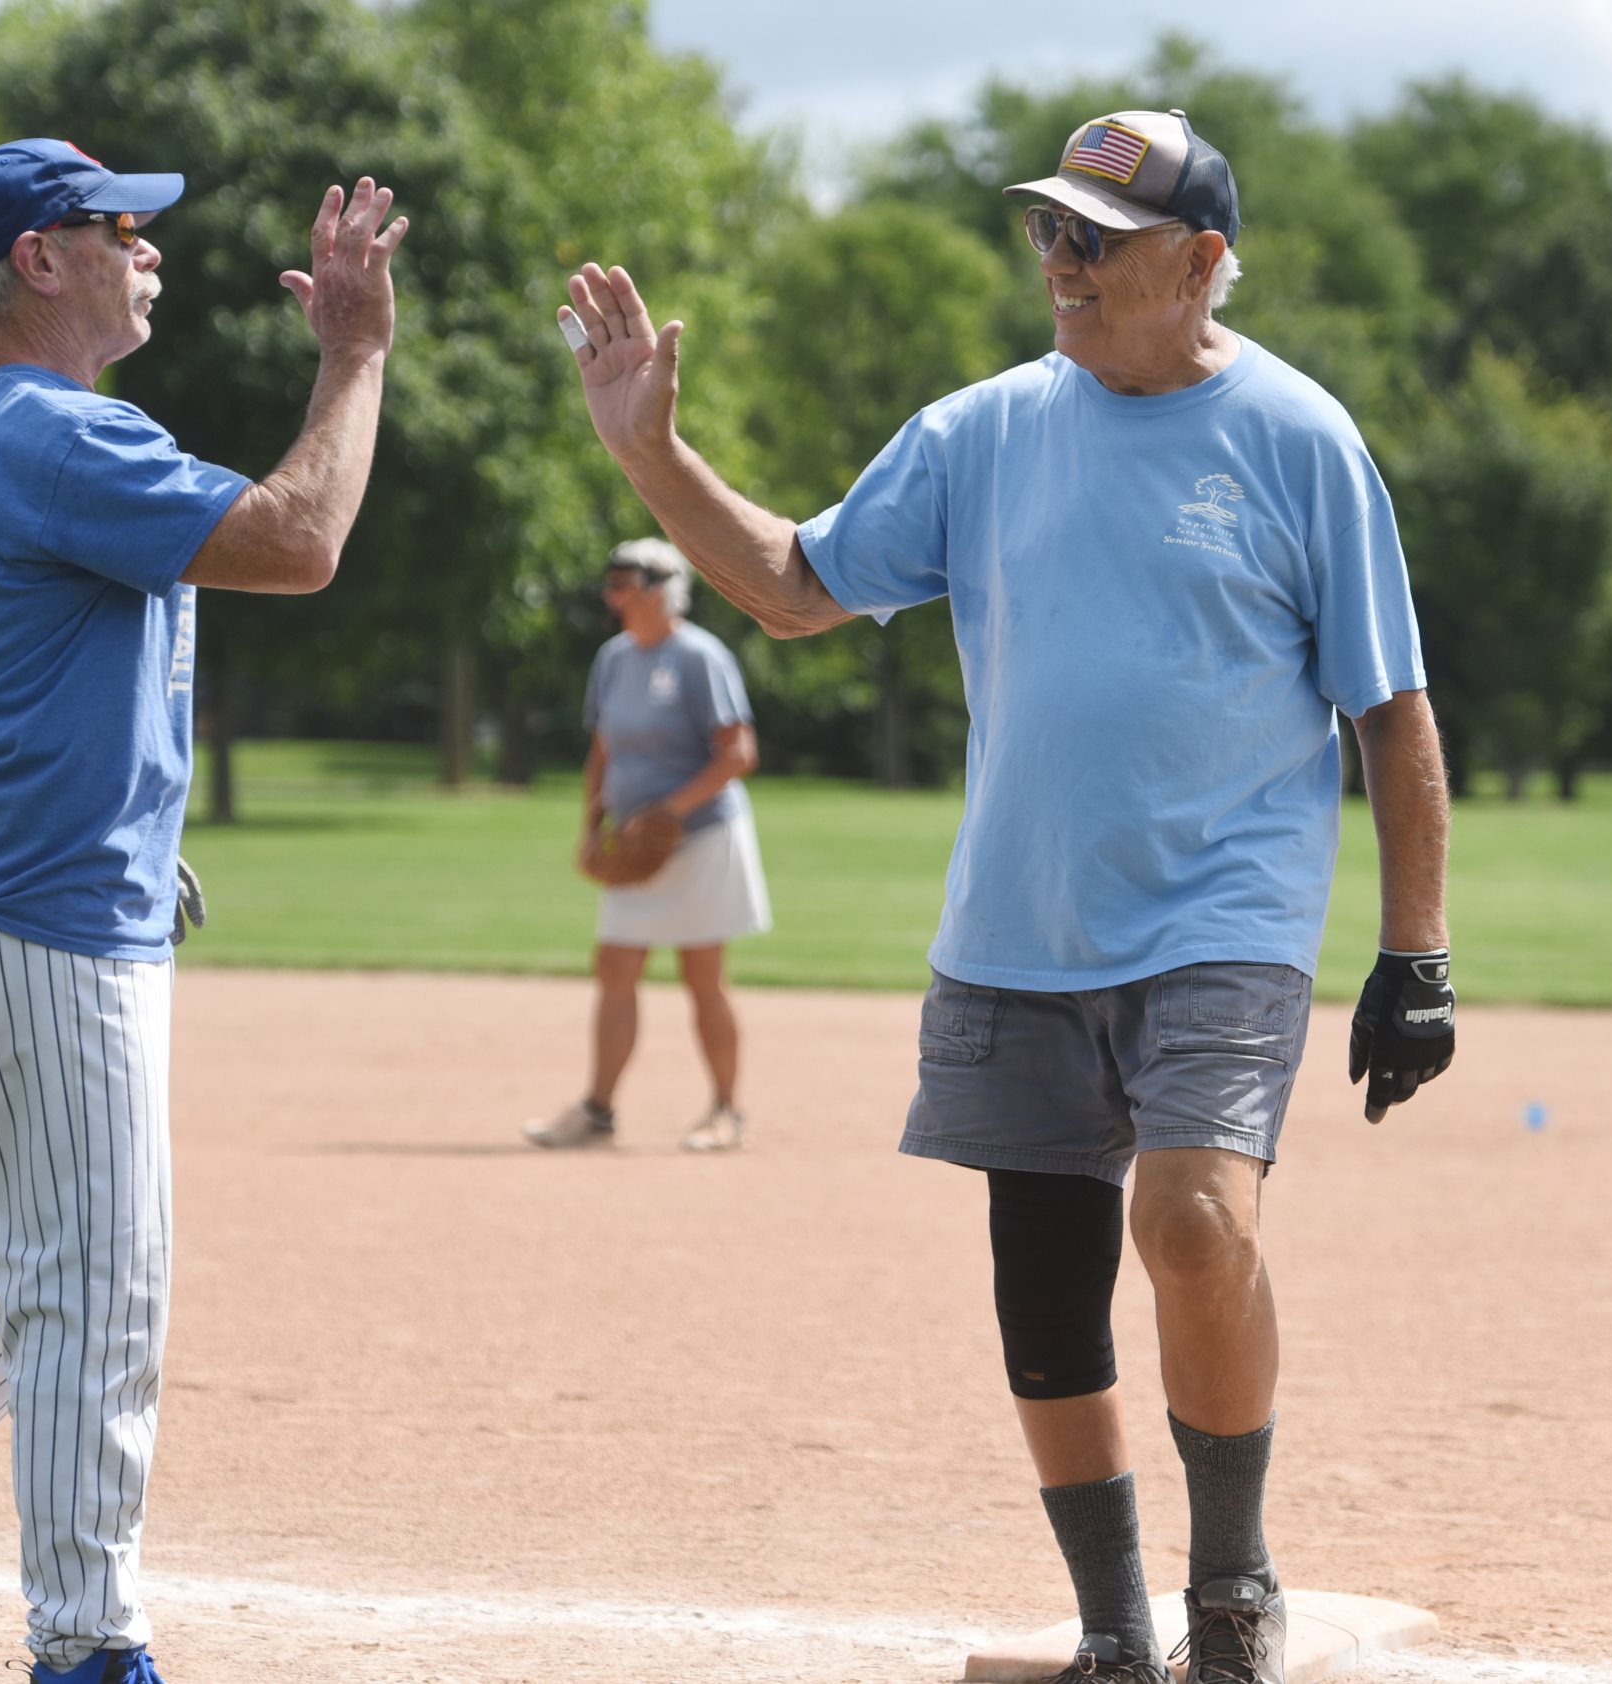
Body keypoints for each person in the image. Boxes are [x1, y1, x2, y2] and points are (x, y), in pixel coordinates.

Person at [554, 108, 1455, 1684]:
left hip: (1222, 920)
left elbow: (1390, 707)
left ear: (1205, 264)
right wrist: (648, 448)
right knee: (1044, 1286)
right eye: (1051, 230)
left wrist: (1416, 953)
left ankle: (1231, 1589)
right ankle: (1116, 1629)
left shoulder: (1301, 438)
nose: (1064, 262)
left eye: (1099, 239)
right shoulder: (978, 432)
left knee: (1184, 1221)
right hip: (1018, 927)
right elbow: (790, 586)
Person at [0, 140, 407, 1684]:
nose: (151, 250)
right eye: (124, 228)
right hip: (44, 918)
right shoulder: (56, 434)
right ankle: (87, 1647)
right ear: (41, 262)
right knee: (104, 1290)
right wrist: (356, 356)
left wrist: (83, 783)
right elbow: (300, 540)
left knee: (26, 1263)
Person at [524, 537, 772, 1154]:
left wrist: (666, 813)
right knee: (615, 966)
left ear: (660, 588)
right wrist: (591, 826)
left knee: (702, 974)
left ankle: (725, 1111)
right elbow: (602, 751)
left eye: (623, 582)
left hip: (703, 836)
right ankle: (598, 1111)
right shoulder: (614, 659)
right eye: (609, 582)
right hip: (634, 840)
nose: (611, 593)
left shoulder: (699, 657)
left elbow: (738, 754)